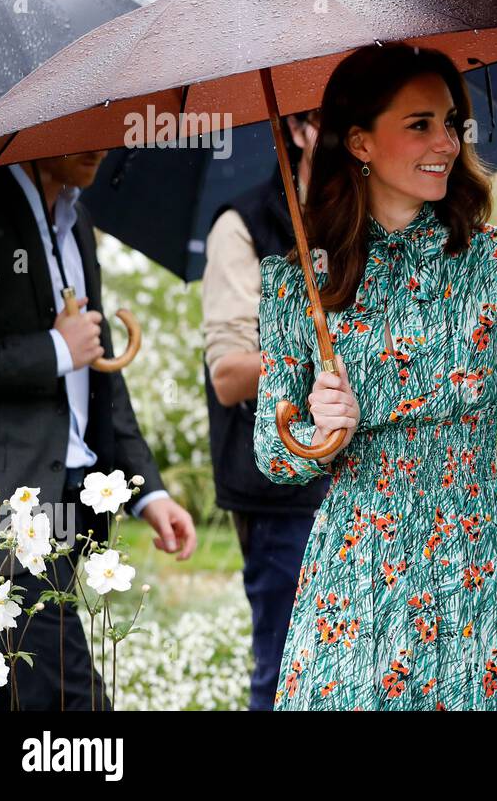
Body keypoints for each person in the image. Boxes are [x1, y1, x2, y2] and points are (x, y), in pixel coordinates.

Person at [253, 44, 497, 711]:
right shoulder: (299, 285)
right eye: (420, 124)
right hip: (353, 582)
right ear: (362, 141)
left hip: (478, 574)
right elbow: (274, 458)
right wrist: (321, 430)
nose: (448, 143)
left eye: (452, 122)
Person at [0, 152, 197, 710]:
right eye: (83, 122)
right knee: (71, 702)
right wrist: (52, 349)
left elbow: (101, 381)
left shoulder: (79, 223)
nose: (101, 143)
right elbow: (64, 352)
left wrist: (150, 492)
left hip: (67, 504)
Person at [201, 110, 331, 711]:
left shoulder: (387, 222)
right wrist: (320, 351)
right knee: (289, 675)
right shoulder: (243, 225)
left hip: (379, 483)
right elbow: (228, 376)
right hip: (282, 493)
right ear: (302, 129)